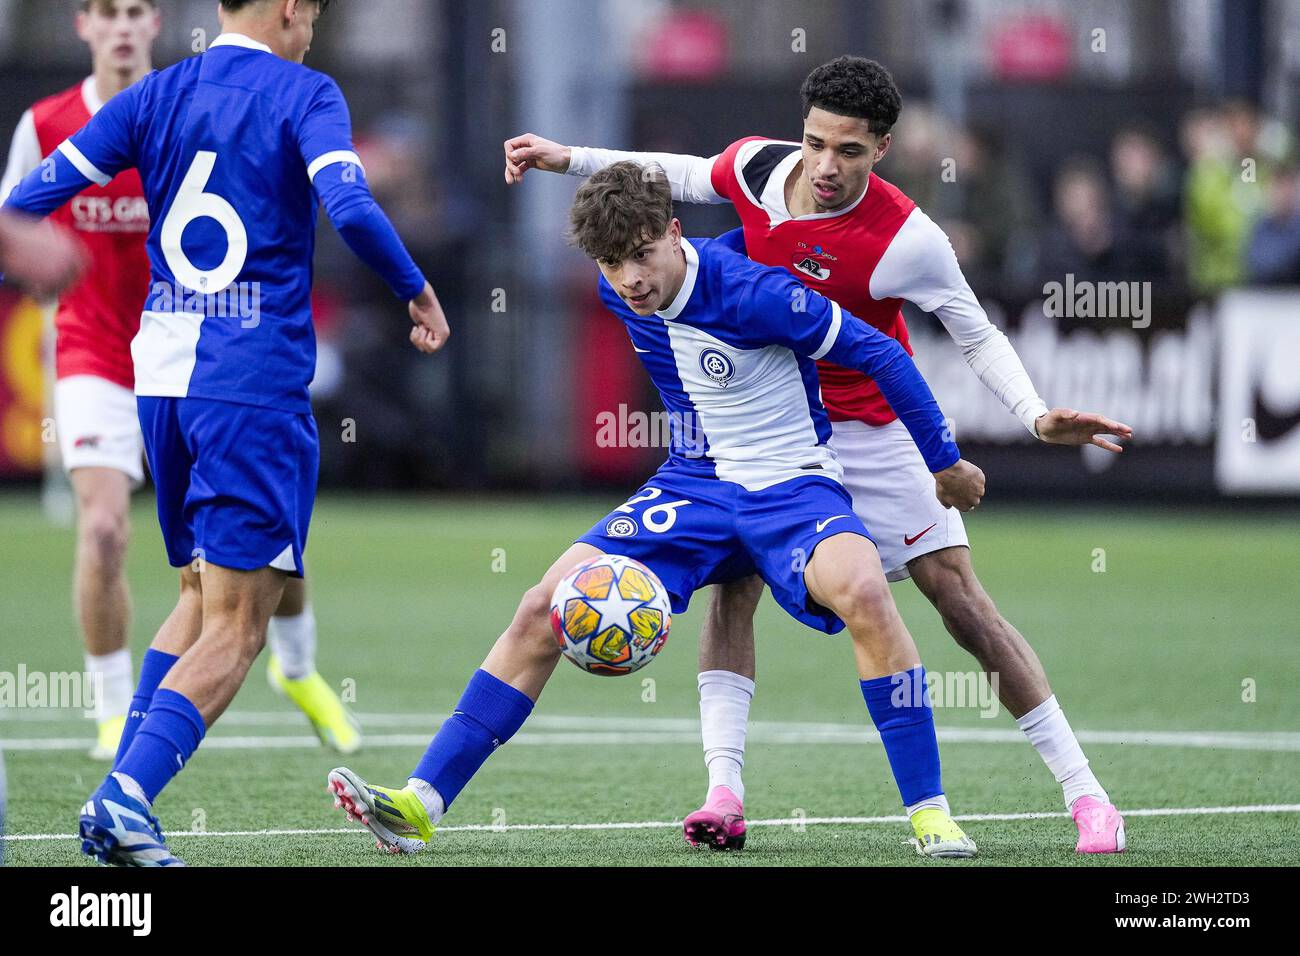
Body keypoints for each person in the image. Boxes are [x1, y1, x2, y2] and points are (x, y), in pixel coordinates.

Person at [503, 55, 1131, 853]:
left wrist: (1035, 414)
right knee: (732, 588)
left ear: (885, 149)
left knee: (962, 605)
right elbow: (683, 176)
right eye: (815, 144)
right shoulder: (763, 168)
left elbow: (975, 332)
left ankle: (1086, 796)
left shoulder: (911, 238)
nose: (826, 167)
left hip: (870, 432)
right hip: (769, 432)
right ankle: (723, 791)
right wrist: (572, 158)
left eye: (850, 152)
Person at [328, 160, 987, 860]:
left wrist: (944, 462)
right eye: (613, 265)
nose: (631, 279)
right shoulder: (618, 291)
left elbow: (883, 353)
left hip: (791, 484)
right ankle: (419, 804)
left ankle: (930, 813)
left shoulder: (758, 293)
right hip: (694, 485)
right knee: (542, 604)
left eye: (642, 255)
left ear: (674, 233)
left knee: (864, 594)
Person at [4, 0, 449, 866]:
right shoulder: (307, 92)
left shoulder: (156, 92)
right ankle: (127, 798)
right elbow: (350, 210)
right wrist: (416, 289)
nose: (314, 28)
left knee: (198, 600)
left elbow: (28, 201)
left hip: (160, 380)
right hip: (247, 385)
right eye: (314, 12)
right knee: (240, 624)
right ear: (289, 7)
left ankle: (116, 795)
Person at [0, 0, 360, 762]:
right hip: (100, 347)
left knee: (258, 554)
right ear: (83, 26)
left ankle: (297, 670)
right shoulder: (50, 123)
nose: (123, 26)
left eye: (135, 11)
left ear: (156, 22)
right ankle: (111, 713)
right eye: (107, 12)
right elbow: (13, 221)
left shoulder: (193, 100)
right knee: (106, 530)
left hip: (197, 348)